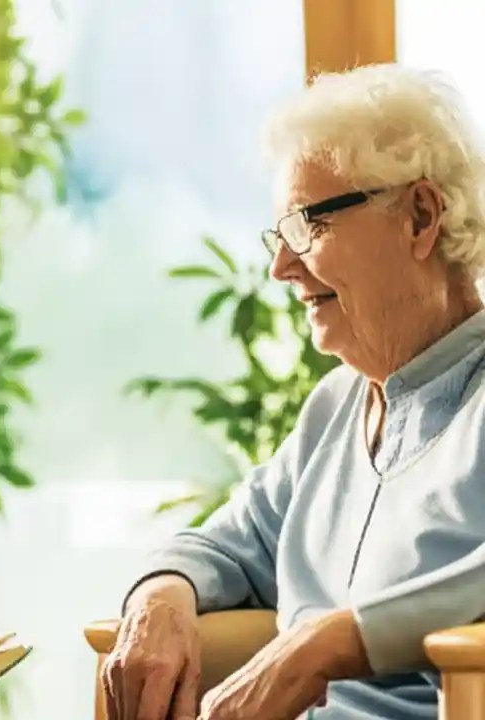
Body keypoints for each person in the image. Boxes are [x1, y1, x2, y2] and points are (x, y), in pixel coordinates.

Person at [102, 64, 485, 720]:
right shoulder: (334, 409)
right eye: (280, 234)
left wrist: (332, 643)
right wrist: (159, 595)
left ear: (420, 216)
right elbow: (225, 543)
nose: (281, 267)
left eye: (310, 223)